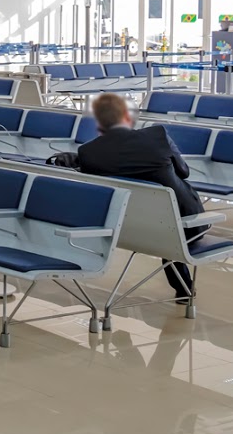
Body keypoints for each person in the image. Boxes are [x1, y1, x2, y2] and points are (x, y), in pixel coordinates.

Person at [72, 93, 202, 301]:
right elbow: (184, 172)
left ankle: (183, 286)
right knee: (167, 226)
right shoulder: (157, 135)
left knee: (161, 224)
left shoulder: (87, 153)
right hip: (184, 224)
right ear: (127, 116)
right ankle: (183, 288)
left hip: (126, 228)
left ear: (99, 121)